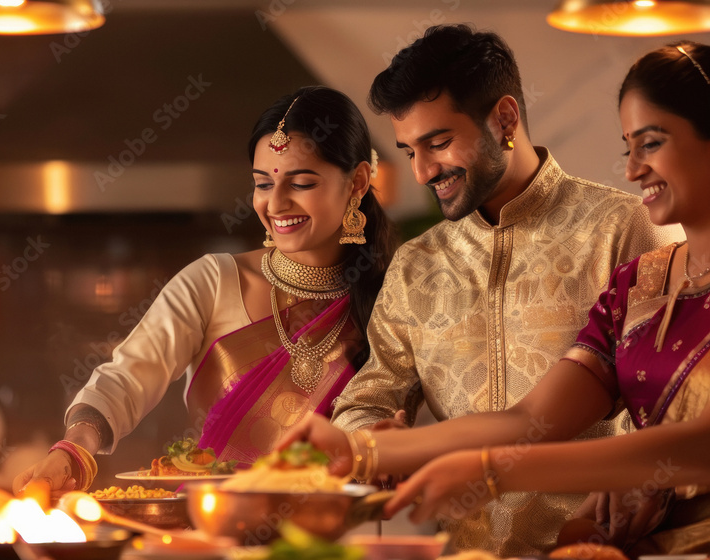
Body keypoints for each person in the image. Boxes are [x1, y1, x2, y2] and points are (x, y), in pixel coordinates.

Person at [284, 40, 710, 557]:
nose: (421, 172)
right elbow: (528, 420)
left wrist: (492, 472)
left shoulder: (624, 229)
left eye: (438, 142)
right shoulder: (640, 282)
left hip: (597, 541)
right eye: (629, 147)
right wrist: (363, 446)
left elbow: (688, 439)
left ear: (505, 119)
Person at [12, 86, 397, 495]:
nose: (276, 204)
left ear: (357, 183)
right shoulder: (214, 281)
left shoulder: (392, 296)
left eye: (301, 183)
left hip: (337, 539)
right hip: (212, 531)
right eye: (263, 184)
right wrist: (72, 450)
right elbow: (126, 377)